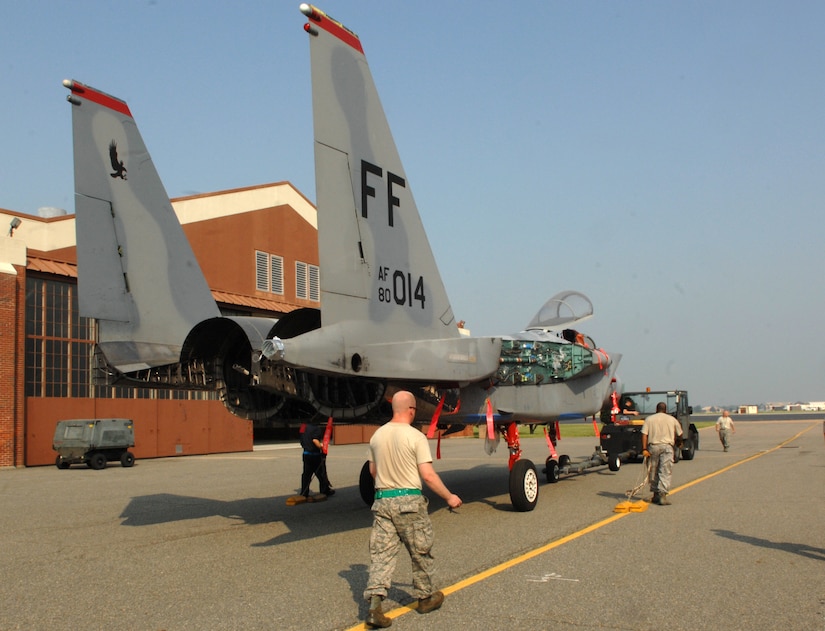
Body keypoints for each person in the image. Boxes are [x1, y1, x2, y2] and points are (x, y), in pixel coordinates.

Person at [362, 391, 462, 629]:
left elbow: (373, 472)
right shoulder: (416, 436)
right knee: (420, 551)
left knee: (381, 556)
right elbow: (427, 475)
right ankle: (425, 598)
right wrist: (450, 497)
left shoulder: (377, 436)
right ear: (411, 410)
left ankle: (375, 607)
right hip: (409, 502)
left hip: (383, 500)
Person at [641, 402, 683, 505]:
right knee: (665, 470)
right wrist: (679, 442)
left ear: (656, 409)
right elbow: (680, 433)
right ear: (665, 410)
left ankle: (655, 493)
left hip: (653, 446)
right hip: (667, 447)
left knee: (653, 469)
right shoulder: (672, 419)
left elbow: (644, 434)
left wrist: (644, 448)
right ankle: (662, 495)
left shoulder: (649, 419)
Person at [299, 423, 334, 498]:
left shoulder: (303, 426)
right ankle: (324, 490)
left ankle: (304, 492)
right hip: (315, 454)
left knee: (306, 474)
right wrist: (321, 447)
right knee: (321, 474)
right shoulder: (316, 428)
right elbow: (315, 440)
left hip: (306, 453)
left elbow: (301, 438)